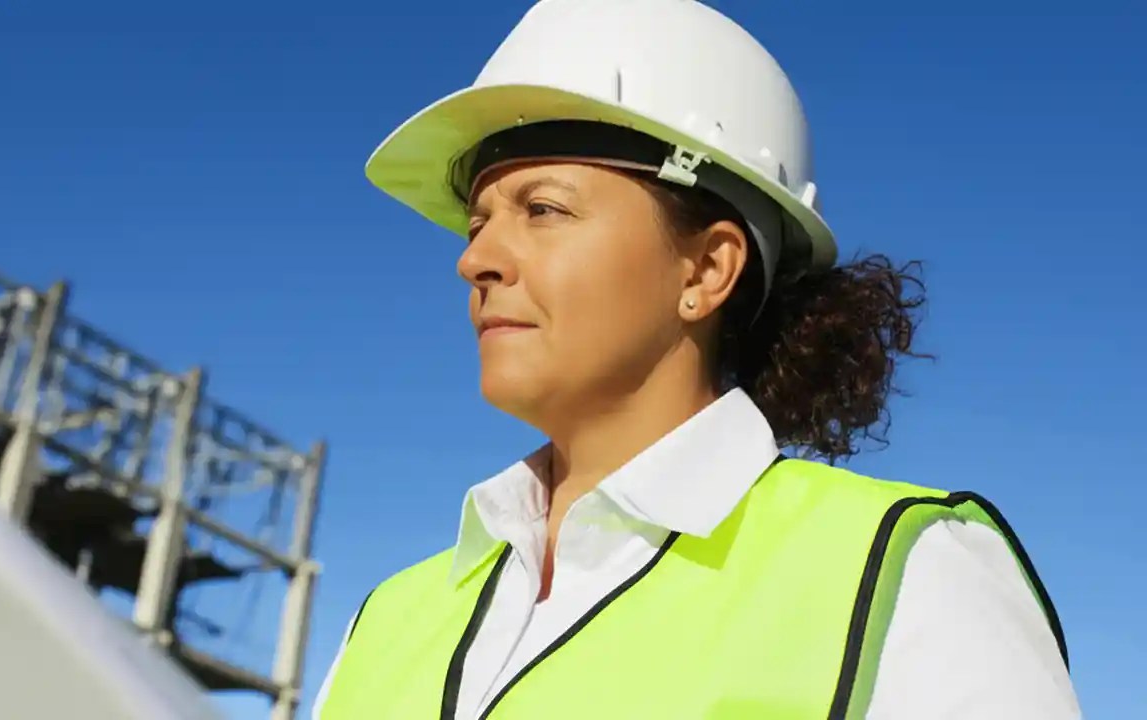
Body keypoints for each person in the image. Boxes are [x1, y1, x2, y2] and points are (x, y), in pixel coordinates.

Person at [313, 1, 1080, 718]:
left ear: (707, 270)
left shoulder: (907, 572)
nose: (475, 259)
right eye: (477, 222)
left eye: (543, 209)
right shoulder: (382, 624)